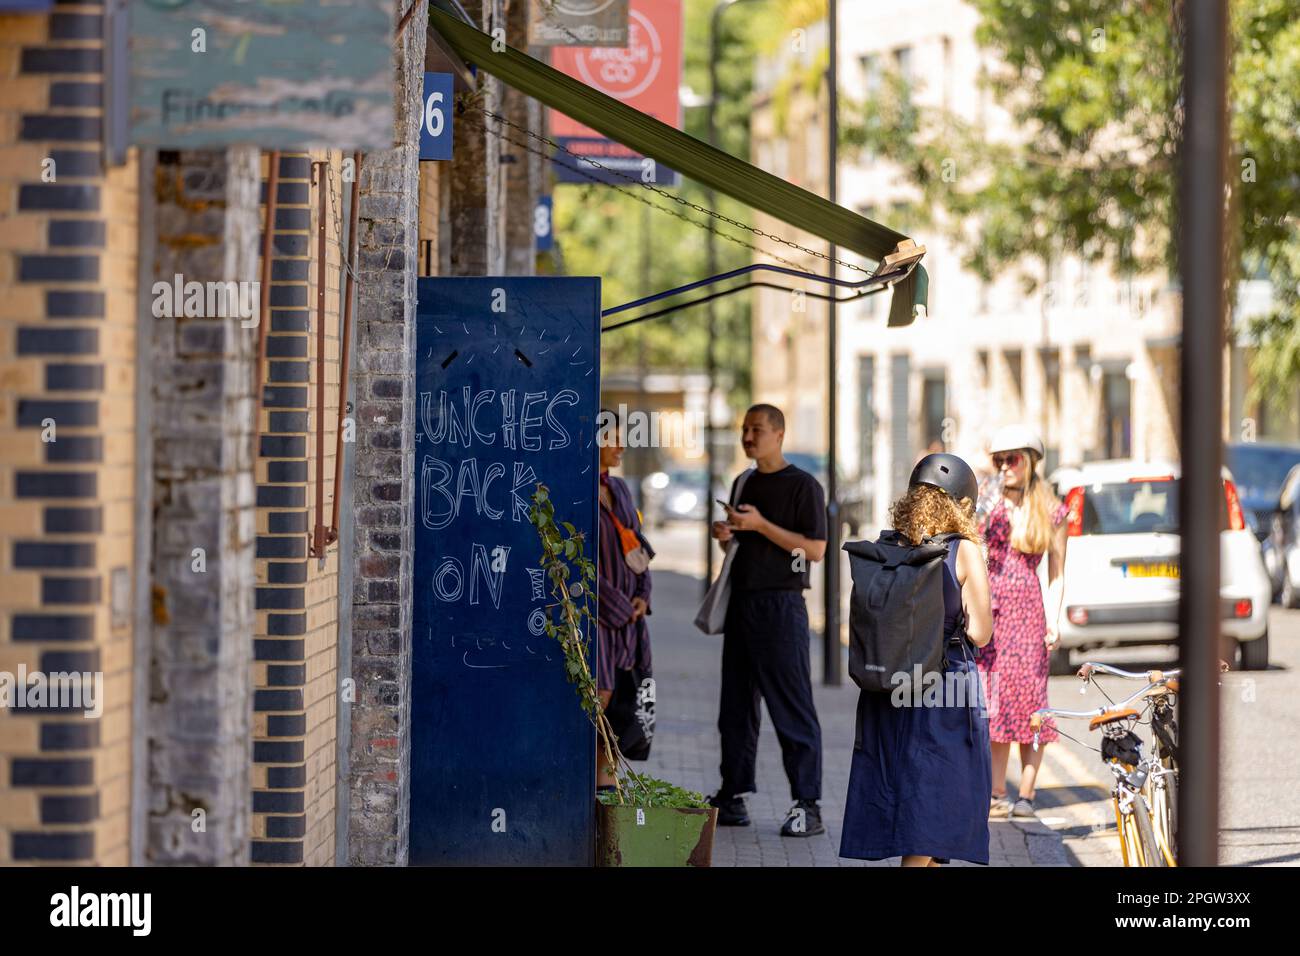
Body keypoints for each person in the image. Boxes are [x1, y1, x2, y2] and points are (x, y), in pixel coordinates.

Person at [840, 454, 993, 867]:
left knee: (907, 793)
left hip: (888, 686)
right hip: (943, 690)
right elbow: (980, 632)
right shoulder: (963, 550)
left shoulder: (891, 545)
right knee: (934, 803)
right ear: (963, 505)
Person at [708, 404, 828, 836]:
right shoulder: (743, 480)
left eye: (756, 429)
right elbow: (740, 550)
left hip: (782, 606)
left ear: (778, 433)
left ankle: (807, 805)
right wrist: (729, 536)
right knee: (735, 708)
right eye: (744, 429)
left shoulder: (804, 486)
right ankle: (732, 794)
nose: (747, 436)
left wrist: (759, 525)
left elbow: (814, 550)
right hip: (743, 604)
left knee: (791, 707)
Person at [977, 425, 1068, 819]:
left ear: (1030, 461)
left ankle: (1027, 794)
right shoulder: (987, 502)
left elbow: (1057, 571)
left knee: (1031, 703)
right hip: (991, 611)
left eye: (1011, 459)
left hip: (1029, 613)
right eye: (998, 460)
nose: (1004, 467)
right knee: (993, 702)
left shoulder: (1050, 508)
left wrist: (1056, 619)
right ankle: (997, 791)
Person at [595, 411, 653, 790]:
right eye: (612, 438)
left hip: (629, 619)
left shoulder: (620, 491)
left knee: (621, 700)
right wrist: (615, 606)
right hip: (597, 617)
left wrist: (642, 597)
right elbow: (575, 564)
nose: (620, 445)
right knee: (597, 696)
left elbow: (639, 548)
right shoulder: (574, 492)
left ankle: (607, 786)